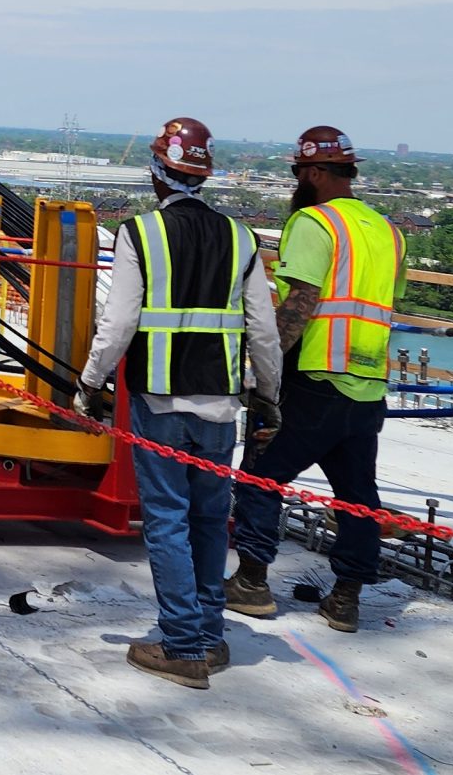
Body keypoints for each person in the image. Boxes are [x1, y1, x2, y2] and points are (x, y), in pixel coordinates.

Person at [76, 117, 281, 690]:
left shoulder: (139, 233)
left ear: (158, 174)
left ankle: (184, 646)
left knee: (166, 520)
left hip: (160, 404)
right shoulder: (242, 239)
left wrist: (90, 383)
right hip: (222, 406)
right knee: (211, 519)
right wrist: (269, 397)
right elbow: (263, 333)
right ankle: (209, 637)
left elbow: (117, 323)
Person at [225, 125, 402, 634]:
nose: (296, 181)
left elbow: (298, 306)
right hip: (367, 386)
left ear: (317, 172)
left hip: (315, 377)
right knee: (357, 495)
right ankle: (346, 599)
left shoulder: (314, 222)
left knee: (260, 474)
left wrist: (259, 372)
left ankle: (253, 583)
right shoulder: (387, 231)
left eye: (299, 172)